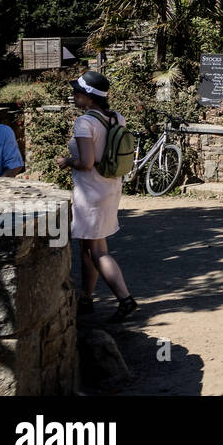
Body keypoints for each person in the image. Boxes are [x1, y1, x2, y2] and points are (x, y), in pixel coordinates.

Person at [56, 71, 137, 322]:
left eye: (77, 92)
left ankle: (125, 299)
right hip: (110, 187)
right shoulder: (117, 118)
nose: (74, 95)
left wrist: (66, 161)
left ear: (88, 97)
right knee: (88, 246)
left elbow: (86, 162)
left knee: (98, 250)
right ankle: (86, 298)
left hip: (90, 192)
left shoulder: (84, 123)